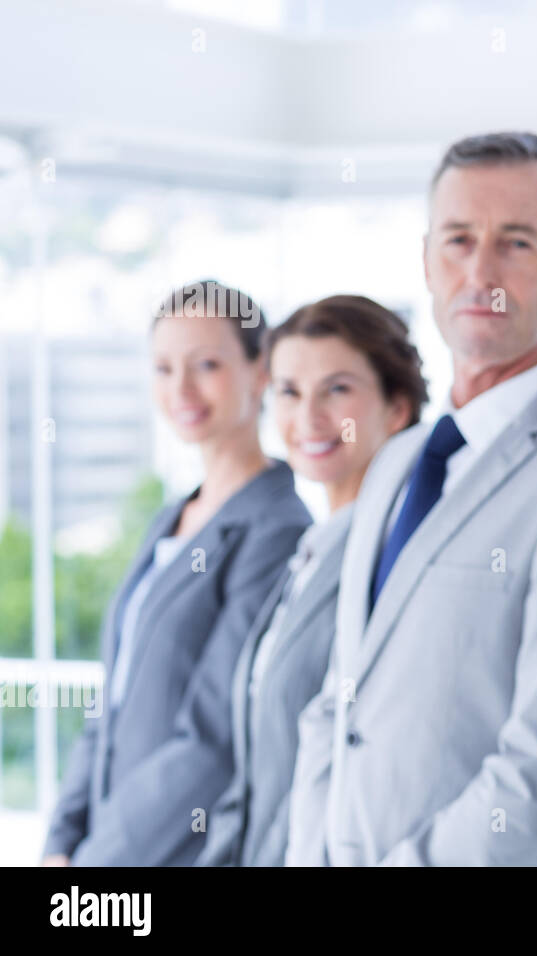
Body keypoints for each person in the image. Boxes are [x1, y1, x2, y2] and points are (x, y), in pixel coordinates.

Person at [285, 131, 537, 867]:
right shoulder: (398, 460)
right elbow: (338, 706)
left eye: (517, 243)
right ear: (426, 257)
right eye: (458, 240)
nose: (480, 272)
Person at [41, 279, 312, 866]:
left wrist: (96, 865)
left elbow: (214, 741)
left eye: (206, 364)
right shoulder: (171, 518)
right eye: (163, 368)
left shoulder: (277, 530)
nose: (180, 388)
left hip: (174, 851)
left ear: (259, 370)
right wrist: (61, 841)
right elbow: (107, 703)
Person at [197, 295, 428, 866]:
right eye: (290, 392)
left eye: (338, 390)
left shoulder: (389, 561)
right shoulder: (313, 549)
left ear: (397, 407)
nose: (308, 418)